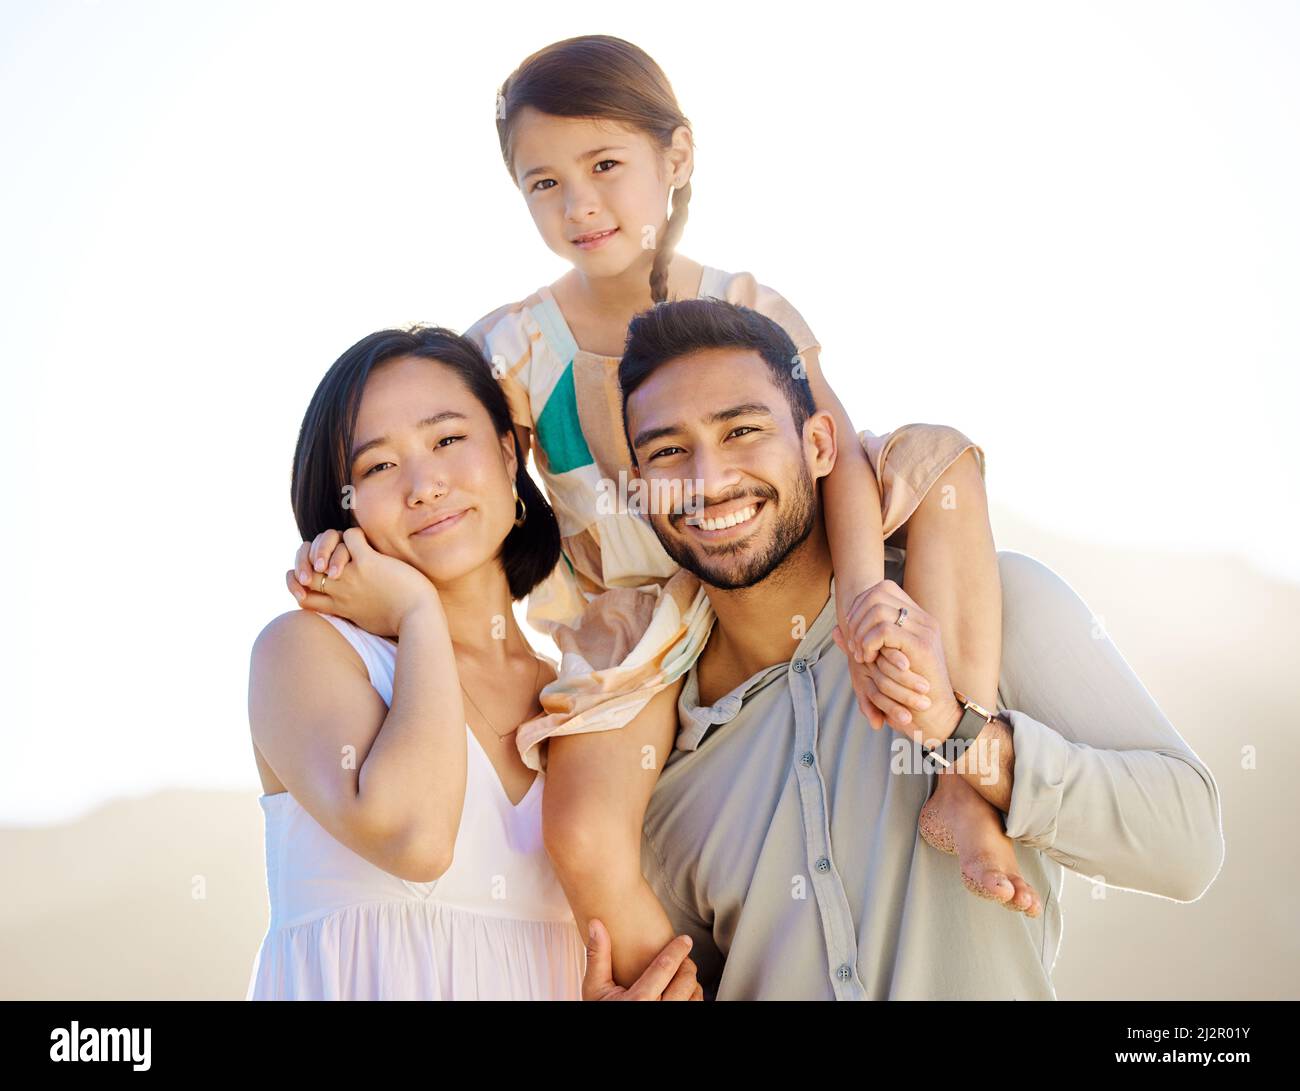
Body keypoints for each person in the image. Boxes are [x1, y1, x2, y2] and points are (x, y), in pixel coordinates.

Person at [459, 33, 1025, 988]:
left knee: (941, 464)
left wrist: (858, 595)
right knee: (585, 834)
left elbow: (833, 450)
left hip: (771, 560)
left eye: (604, 166)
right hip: (630, 621)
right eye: (542, 184)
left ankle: (960, 781)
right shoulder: (510, 349)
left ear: (674, 159)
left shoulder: (742, 302)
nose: (579, 203)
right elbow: (474, 503)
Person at [570, 296, 1223, 1000]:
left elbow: (1187, 845)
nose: (709, 476)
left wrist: (965, 736)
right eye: (669, 450)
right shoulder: (660, 770)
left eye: (742, 431)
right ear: (638, 491)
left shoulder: (998, 607)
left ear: (820, 444)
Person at [246, 325, 700, 1000]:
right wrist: (417, 614)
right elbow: (418, 838)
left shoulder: (588, 699)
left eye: (448, 439)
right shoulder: (306, 654)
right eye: (377, 466)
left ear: (510, 451)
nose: (425, 485)